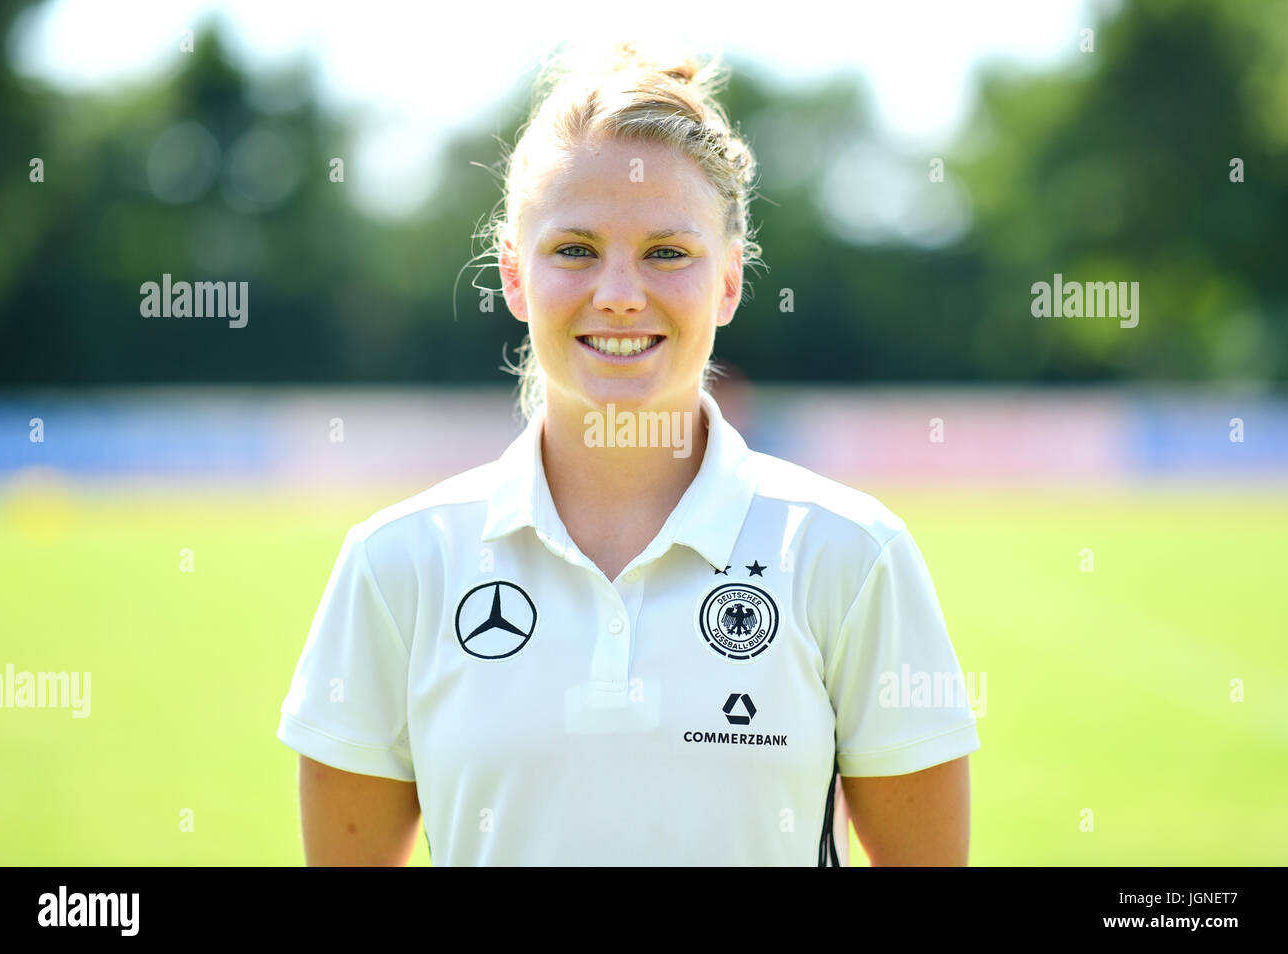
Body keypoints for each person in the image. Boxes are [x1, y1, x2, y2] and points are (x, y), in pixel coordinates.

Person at [277, 39, 979, 866]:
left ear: (728, 282)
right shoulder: (393, 565)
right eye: (573, 249)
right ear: (513, 274)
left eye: (666, 253)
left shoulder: (852, 554)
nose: (617, 294)